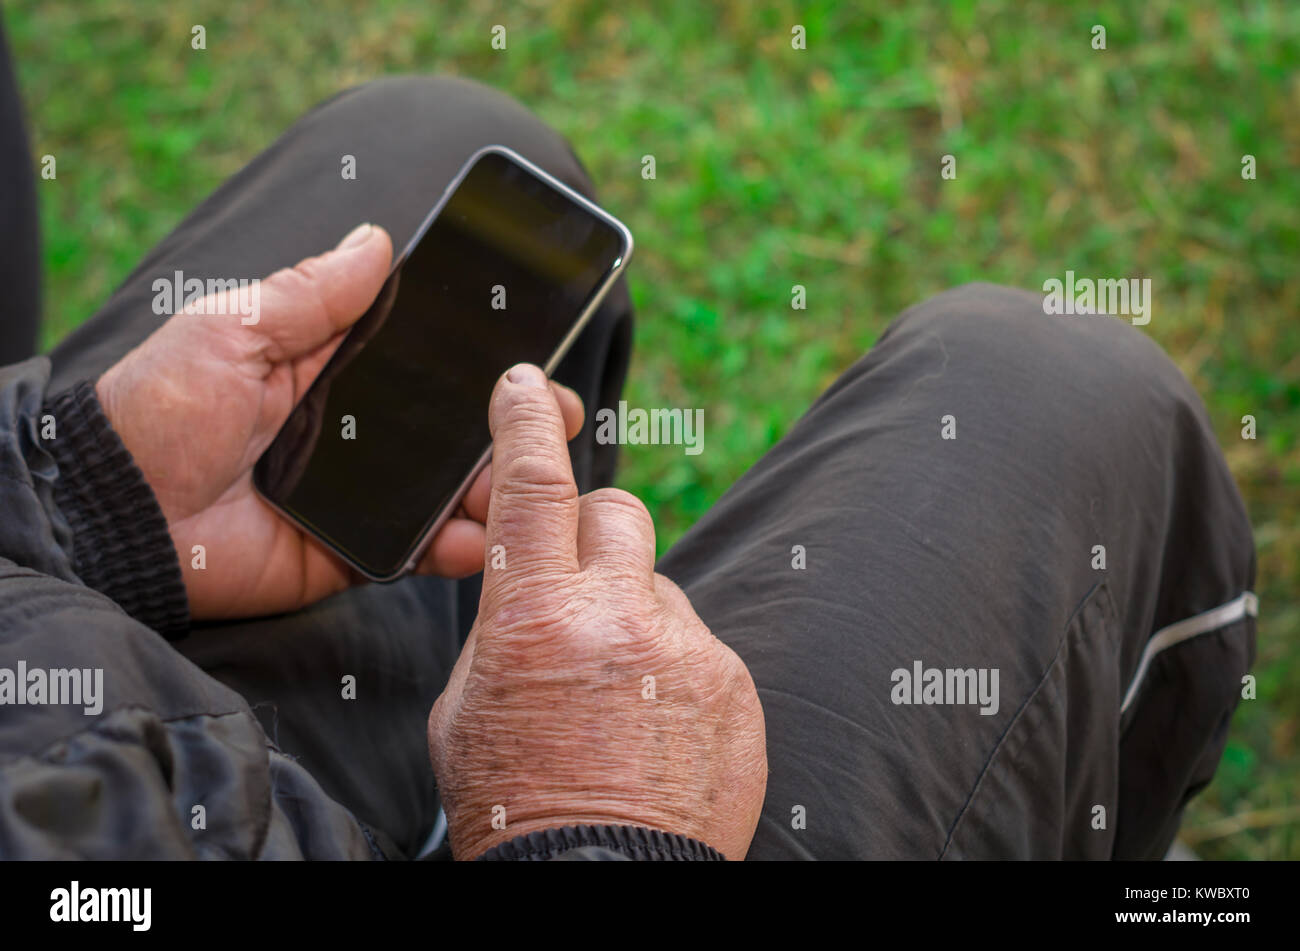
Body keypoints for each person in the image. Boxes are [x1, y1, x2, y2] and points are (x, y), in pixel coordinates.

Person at [0, 18, 1256, 860]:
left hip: (80, 701)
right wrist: (591, 827)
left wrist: (72, 500)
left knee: (441, 138)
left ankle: (470, 732)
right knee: (1053, 400)